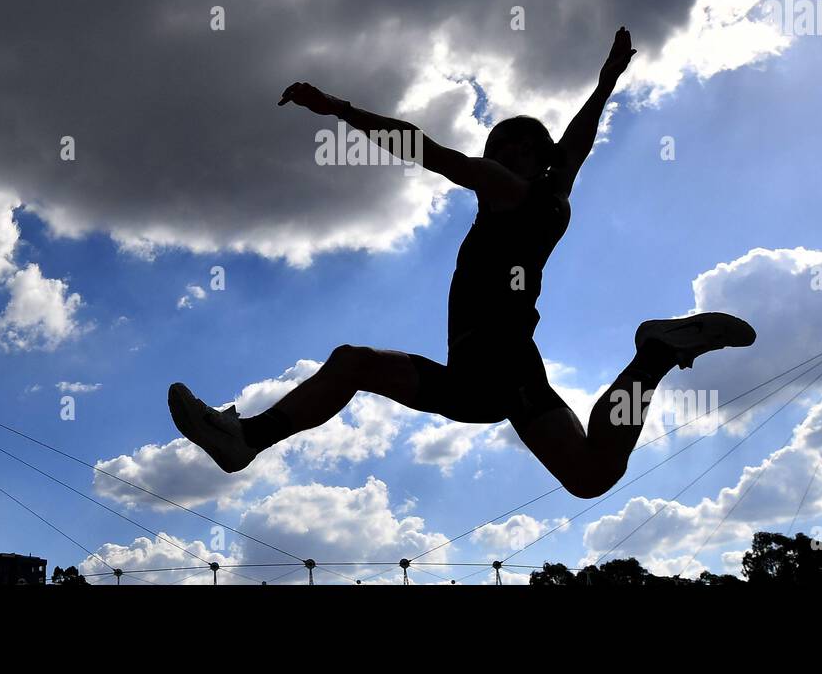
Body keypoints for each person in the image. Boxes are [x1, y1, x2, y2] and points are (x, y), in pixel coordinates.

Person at [169, 27, 755, 498]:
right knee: (591, 475)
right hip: (492, 377)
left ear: (532, 156)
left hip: (493, 363)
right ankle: (651, 357)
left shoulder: (505, 188)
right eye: (493, 145)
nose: (493, 154)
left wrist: (337, 108)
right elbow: (577, 144)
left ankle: (249, 436)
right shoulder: (553, 196)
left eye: (508, 144)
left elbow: (422, 147)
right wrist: (603, 87)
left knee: (354, 366)